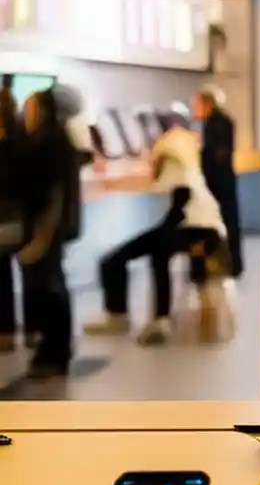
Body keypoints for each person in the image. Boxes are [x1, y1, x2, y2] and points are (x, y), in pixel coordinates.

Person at [84, 120, 227, 345]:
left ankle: (134, 317)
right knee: (156, 251)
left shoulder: (174, 166)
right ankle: (159, 319)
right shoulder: (190, 171)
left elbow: (176, 198)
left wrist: (111, 183)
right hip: (208, 233)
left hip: (191, 229)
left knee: (124, 258)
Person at [14, 90, 80, 378]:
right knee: (49, 288)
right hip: (49, 227)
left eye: (31, 109)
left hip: (48, 228)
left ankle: (56, 351)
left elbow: (49, 194)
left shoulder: (51, 144)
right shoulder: (54, 141)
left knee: (51, 288)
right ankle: (53, 349)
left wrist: (42, 236)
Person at [194, 86, 242, 278]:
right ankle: (233, 264)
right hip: (225, 179)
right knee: (230, 221)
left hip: (217, 180)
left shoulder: (214, 124)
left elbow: (215, 154)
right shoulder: (224, 121)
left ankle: (223, 265)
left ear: (207, 103)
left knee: (219, 222)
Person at [0, 83, 32, 353]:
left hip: (6, 217)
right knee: (25, 273)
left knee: (2, 276)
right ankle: (32, 330)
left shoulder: (7, 143)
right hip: (22, 218)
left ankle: (6, 332)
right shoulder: (24, 139)